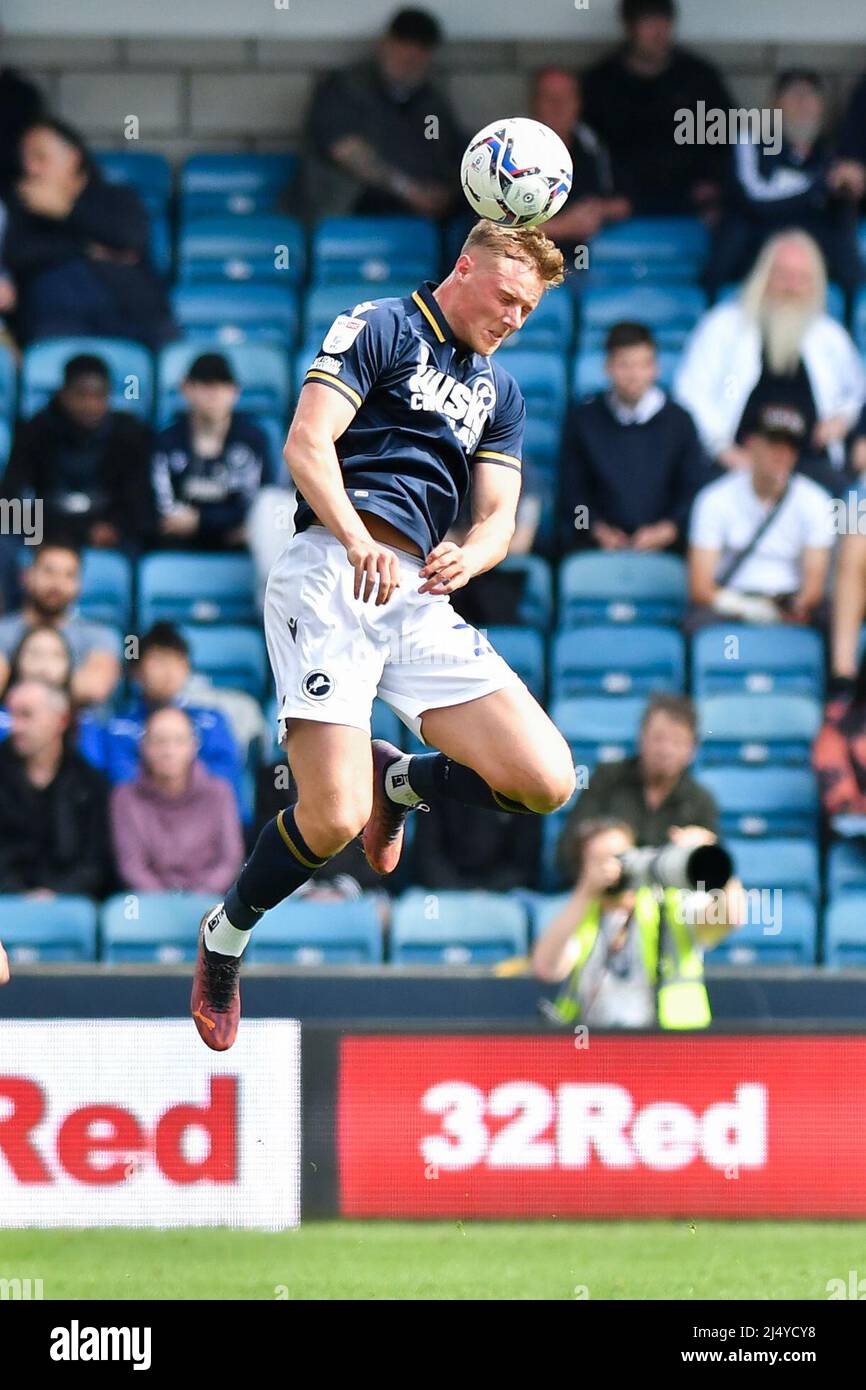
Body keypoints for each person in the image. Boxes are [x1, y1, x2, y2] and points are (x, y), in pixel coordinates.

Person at [191, 219, 577, 1050]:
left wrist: (469, 558)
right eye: (507, 298)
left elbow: (499, 518)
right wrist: (357, 535)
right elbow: (306, 443)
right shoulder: (381, 326)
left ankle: (401, 785)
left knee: (547, 780)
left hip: (415, 597)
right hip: (334, 569)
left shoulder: (500, 393)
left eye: (528, 311)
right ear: (465, 267)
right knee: (330, 820)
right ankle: (225, 937)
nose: (514, 319)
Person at [675, 231, 866, 486]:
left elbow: (856, 395)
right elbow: (691, 394)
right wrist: (723, 450)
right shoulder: (722, 326)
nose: (792, 286)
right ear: (763, 276)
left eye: (802, 278)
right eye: (783, 275)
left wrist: (840, 421)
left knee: (848, 509)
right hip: (737, 463)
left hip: (811, 466)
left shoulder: (829, 335)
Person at [533, 818, 742, 1029]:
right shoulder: (581, 915)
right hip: (598, 1049)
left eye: (620, 857)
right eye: (599, 860)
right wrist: (585, 891)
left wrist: (714, 858)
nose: (613, 867)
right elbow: (547, 967)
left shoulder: (671, 905)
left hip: (673, 1048)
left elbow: (732, 917)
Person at [2, 117, 175, 348]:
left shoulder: (116, 197)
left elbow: (131, 239)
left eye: (40, 157)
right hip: (54, 321)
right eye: (25, 160)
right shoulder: (22, 209)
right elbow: (18, 255)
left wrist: (67, 211)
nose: (31, 168)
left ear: (73, 157)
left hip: (128, 315)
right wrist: (85, 248)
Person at [706, 71, 864, 295]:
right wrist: (821, 184)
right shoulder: (751, 141)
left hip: (814, 269)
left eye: (812, 95)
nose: (804, 103)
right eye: (794, 95)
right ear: (775, 105)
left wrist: (849, 188)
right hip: (750, 264)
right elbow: (754, 199)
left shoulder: (829, 152)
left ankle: (850, 311)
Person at [559, 321, 709, 555]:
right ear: (607, 367)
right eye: (624, 365)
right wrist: (593, 530)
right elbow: (572, 493)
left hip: (669, 550)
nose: (634, 375)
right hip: (596, 548)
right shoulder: (583, 420)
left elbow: (693, 490)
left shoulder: (680, 421)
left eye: (643, 365)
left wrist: (669, 529)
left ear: (656, 368)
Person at [304, 7, 466, 220]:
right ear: (386, 44)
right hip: (347, 204)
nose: (409, 59)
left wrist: (441, 193)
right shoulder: (344, 87)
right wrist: (408, 191)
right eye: (403, 47)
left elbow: (450, 154)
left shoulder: (431, 100)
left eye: (419, 52)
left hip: (423, 210)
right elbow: (344, 149)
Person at [687, 403, 834, 629]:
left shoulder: (815, 500)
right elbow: (700, 587)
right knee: (696, 623)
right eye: (774, 444)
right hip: (730, 599)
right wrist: (747, 608)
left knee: (832, 617)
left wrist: (788, 608)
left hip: (789, 600)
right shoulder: (714, 498)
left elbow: (813, 588)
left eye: (790, 446)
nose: (782, 454)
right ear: (751, 443)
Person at [581, 0, 732, 218]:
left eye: (665, 21)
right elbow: (586, 147)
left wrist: (715, 184)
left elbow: (727, 139)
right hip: (619, 205)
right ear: (629, 26)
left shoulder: (699, 79)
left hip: (690, 202)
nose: (658, 32)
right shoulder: (601, 83)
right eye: (649, 22)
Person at [1, 353, 156, 550]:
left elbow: (140, 498)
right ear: (63, 393)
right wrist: (42, 533)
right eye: (82, 394)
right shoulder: (34, 430)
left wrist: (116, 528)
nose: (90, 405)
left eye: (99, 395)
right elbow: (11, 497)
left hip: (108, 530)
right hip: (47, 528)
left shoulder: (129, 433)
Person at [557, 694, 718, 883]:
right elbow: (567, 852)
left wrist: (702, 849)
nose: (666, 750)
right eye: (658, 738)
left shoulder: (701, 801)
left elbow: (713, 876)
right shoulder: (607, 779)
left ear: (692, 750)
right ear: (641, 738)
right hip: (605, 895)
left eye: (677, 742)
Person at [98, 622, 243, 811]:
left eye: (177, 661)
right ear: (137, 671)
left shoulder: (211, 721)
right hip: (143, 824)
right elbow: (122, 779)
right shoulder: (119, 728)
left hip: (204, 819)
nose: (169, 670)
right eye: (158, 660)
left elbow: (225, 777)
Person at [111, 706, 244, 895]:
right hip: (151, 905)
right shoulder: (125, 797)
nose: (169, 751)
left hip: (209, 902)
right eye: (159, 741)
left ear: (194, 746)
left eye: (179, 741)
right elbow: (131, 866)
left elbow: (230, 859)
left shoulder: (219, 793)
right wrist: (168, 903)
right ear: (144, 747)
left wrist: (199, 897)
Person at [0, 678, 112, 896]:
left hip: (70, 907)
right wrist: (17, 894)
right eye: (12, 715)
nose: (16, 726)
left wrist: (58, 894)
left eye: (26, 715)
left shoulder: (90, 783)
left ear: (60, 720)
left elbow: (98, 863)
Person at [152, 352, 268, 552]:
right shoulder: (167, 441)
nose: (215, 395)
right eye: (206, 385)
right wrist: (221, 524)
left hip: (239, 546)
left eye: (223, 385)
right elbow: (161, 508)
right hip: (177, 545)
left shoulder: (252, 439)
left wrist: (200, 521)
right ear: (186, 388)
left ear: (235, 391)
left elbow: (259, 501)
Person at [0, 537, 121, 706]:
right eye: (49, 572)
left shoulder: (101, 635)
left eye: (69, 575)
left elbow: (95, 688)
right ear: (27, 576)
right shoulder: (3, 632)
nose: (57, 584)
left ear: (79, 584)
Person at [529, 66, 630, 264]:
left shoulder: (592, 148)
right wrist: (563, 227)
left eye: (566, 98)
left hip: (584, 261)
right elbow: (489, 227)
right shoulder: (508, 151)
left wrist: (599, 209)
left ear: (578, 104)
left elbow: (627, 201)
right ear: (534, 104)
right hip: (527, 264)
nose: (558, 106)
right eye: (549, 98)